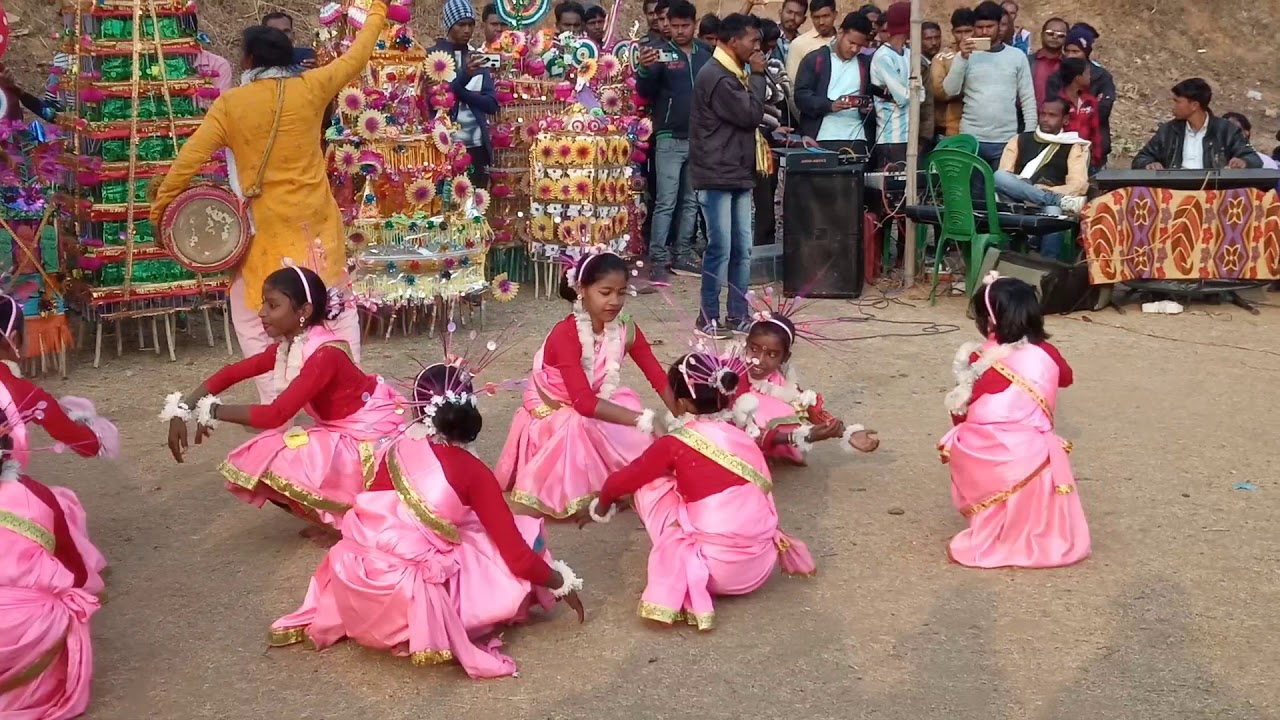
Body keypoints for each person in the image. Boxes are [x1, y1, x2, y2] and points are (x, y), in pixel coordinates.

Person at [151, 4, 409, 402]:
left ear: (249, 60)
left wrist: (160, 214)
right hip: (317, 231)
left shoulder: (231, 105)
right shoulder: (312, 86)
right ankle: (353, 394)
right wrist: (376, 9)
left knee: (256, 316)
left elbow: (187, 162)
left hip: (263, 237)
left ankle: (275, 402)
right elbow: (358, 55)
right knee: (335, 309)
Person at [268, 361, 586, 678]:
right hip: (406, 600)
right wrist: (561, 582)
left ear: (417, 411)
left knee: (466, 533)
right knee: (520, 534)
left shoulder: (394, 451)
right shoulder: (474, 473)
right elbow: (517, 558)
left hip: (353, 583)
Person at [580, 352, 816, 630]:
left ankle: (685, 564)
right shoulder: (742, 436)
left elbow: (624, 480)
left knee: (650, 483)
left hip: (717, 573)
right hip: (760, 566)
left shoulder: (675, 443)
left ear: (680, 403)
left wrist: (602, 503)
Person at [162, 267, 407, 531]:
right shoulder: (291, 346)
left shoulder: (325, 355)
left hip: (367, 436)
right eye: (263, 304)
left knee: (271, 455)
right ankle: (340, 525)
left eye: (273, 305)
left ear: (304, 312)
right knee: (262, 454)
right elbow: (234, 372)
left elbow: (276, 415)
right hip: (342, 430)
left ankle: (347, 527)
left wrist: (210, 410)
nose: (261, 313)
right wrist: (184, 407)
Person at [0, 296, 118, 718]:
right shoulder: (20, 390)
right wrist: (87, 424)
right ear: (12, 339)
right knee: (61, 509)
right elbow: (87, 445)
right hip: (16, 497)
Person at [495, 251, 677, 518]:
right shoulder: (565, 334)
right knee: (581, 424)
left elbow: (657, 377)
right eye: (605, 292)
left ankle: (615, 486)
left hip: (593, 400)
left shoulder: (626, 328)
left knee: (632, 422)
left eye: (621, 293)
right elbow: (582, 404)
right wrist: (647, 420)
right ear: (582, 289)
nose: (614, 302)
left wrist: (690, 421)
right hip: (556, 409)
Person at [940, 274, 1090, 569]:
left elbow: (965, 408)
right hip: (1032, 453)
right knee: (1039, 459)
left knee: (981, 458)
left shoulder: (979, 357)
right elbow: (1067, 378)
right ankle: (1035, 539)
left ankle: (993, 539)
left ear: (990, 320)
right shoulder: (1047, 353)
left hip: (986, 454)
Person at [689, 12, 768, 338]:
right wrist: (759, 76)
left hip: (734, 172)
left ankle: (737, 314)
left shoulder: (730, 72)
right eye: (753, 41)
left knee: (741, 250)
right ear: (733, 41)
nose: (757, 48)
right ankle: (708, 316)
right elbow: (750, 114)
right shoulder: (719, 76)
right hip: (717, 174)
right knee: (721, 248)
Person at [738, 312, 879, 463]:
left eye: (772, 355)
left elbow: (807, 406)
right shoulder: (729, 375)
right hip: (727, 443)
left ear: (785, 358)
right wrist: (801, 435)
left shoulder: (780, 381)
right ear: (745, 344)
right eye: (754, 349)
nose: (759, 360)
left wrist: (846, 433)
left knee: (792, 410)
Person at [637, 0, 711, 284]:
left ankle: (682, 254)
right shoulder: (660, 55)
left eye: (685, 26)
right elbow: (645, 91)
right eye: (674, 25)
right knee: (666, 201)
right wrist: (644, 70)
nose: (679, 31)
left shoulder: (706, 54)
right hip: (669, 138)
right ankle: (658, 258)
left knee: (691, 201)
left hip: (699, 139)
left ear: (694, 24)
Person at [942, 1, 1036, 167]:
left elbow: (1028, 98)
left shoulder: (1016, 56)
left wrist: (1029, 136)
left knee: (1000, 190)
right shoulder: (965, 55)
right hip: (971, 139)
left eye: (990, 26)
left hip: (1006, 140)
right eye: (980, 27)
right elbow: (950, 89)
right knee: (973, 191)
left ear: (1000, 26)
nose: (984, 31)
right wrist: (962, 58)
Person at [994, 98, 1089, 256]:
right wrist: (1024, 191)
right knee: (998, 176)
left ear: (1065, 120)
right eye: (1043, 114)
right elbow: (1005, 176)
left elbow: (1078, 185)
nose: (1045, 119)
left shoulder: (1073, 146)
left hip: (1046, 205)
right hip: (1015, 201)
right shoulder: (1019, 140)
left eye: (1052, 115)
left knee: (1053, 211)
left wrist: (1037, 192)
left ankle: (1047, 267)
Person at [429, 0, 501, 188]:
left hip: (476, 146)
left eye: (471, 24)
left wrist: (461, 90)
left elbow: (492, 104)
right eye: (461, 24)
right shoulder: (432, 58)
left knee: (475, 206)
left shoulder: (478, 58)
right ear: (449, 24)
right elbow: (433, 101)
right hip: (444, 145)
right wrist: (464, 78)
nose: (467, 30)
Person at [1132, 78, 1262, 170]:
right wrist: (1148, 164)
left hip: (1214, 192)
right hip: (1175, 191)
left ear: (1194, 105)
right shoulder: (1168, 130)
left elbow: (1254, 159)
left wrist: (1243, 162)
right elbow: (1140, 159)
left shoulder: (1226, 130)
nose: (1173, 107)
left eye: (1177, 102)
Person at [793, 11, 874, 155]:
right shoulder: (815, 59)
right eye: (851, 43)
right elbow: (801, 97)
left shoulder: (865, 64)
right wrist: (829, 105)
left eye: (859, 46)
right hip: (822, 138)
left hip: (857, 139)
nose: (854, 49)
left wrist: (866, 108)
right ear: (840, 33)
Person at [1062, 25, 1115, 165]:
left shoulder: (1102, 76)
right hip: (1061, 147)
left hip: (1094, 149)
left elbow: (1103, 110)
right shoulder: (1056, 75)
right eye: (1067, 51)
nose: (1070, 56)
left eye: (1075, 51)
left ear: (1086, 52)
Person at [869, 2, 911, 169]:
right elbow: (903, 97)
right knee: (891, 191)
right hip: (890, 138)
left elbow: (920, 94)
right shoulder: (883, 57)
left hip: (909, 135)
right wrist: (909, 92)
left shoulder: (909, 54)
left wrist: (908, 93)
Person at [1049, 58, 1103, 170]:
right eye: (1087, 73)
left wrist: (1096, 157)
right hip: (1062, 160)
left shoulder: (1090, 101)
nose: (1090, 76)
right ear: (1077, 77)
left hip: (1086, 159)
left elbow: (1095, 131)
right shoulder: (1057, 103)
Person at [929, 8, 973, 139]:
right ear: (953, 32)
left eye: (968, 31)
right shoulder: (942, 57)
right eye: (959, 32)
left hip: (979, 128)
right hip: (949, 127)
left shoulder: (985, 56)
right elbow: (939, 91)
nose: (964, 36)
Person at [784, 0, 836, 94]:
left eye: (825, 16)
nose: (821, 22)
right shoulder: (799, 44)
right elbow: (791, 87)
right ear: (811, 17)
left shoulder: (843, 42)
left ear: (835, 15)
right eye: (816, 17)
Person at [1223, 112, 1280, 177]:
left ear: (1246, 133)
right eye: (1223, 131)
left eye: (1234, 130)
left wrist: (1245, 162)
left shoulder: (1266, 162)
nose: (1228, 134)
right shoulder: (1213, 159)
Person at [1029, 17, 1068, 105]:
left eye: (1061, 35)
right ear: (1042, 35)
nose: (1055, 37)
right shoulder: (1027, 62)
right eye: (1050, 33)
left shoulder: (1070, 66)